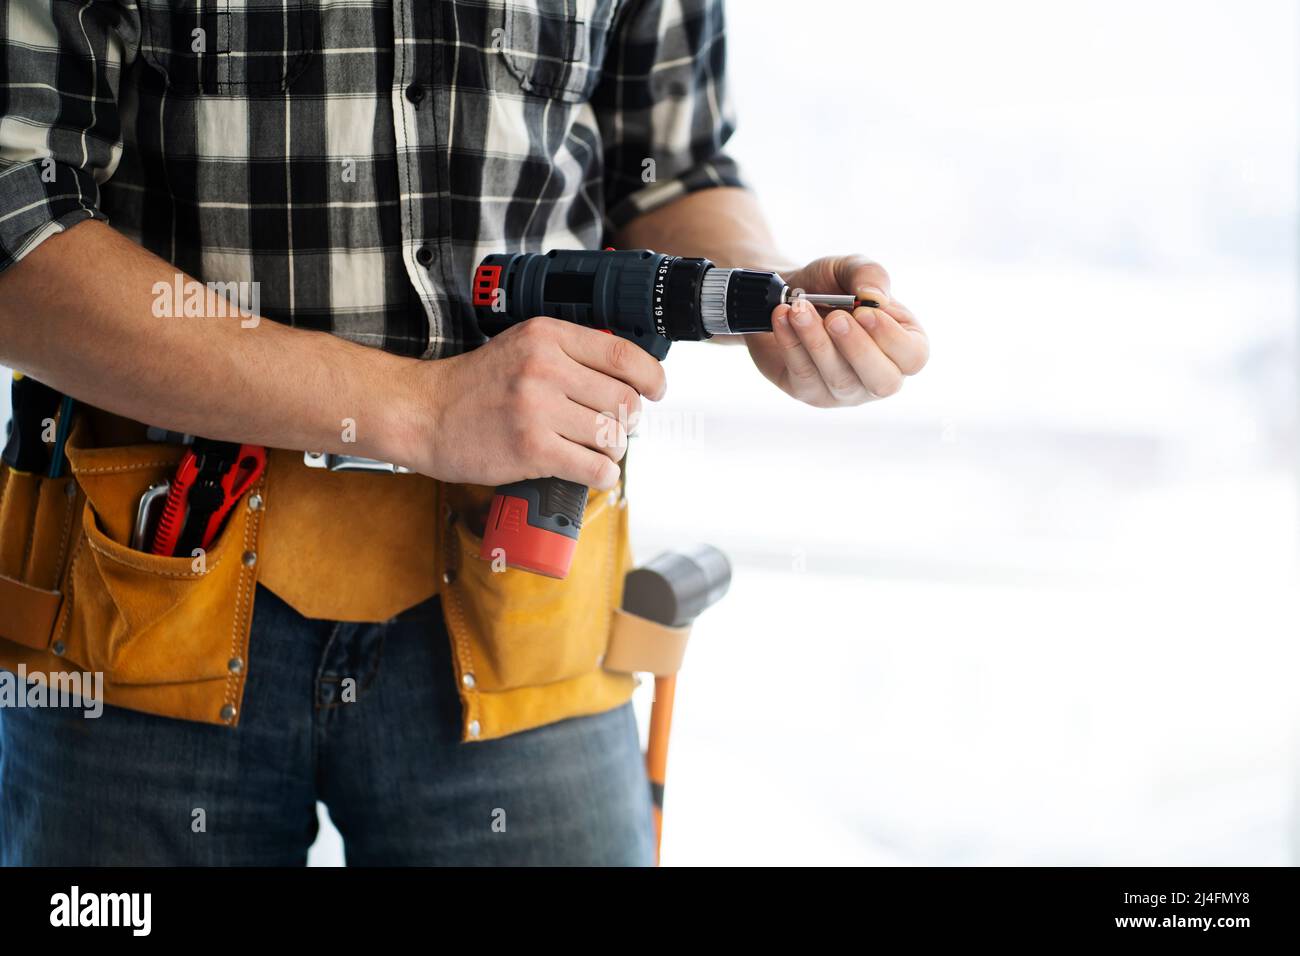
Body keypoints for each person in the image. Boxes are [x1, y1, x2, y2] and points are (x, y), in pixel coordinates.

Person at [0, 0, 928, 865]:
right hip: (138, 602)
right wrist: (425, 411)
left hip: (520, 594)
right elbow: (16, 229)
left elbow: (673, 168)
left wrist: (770, 298)